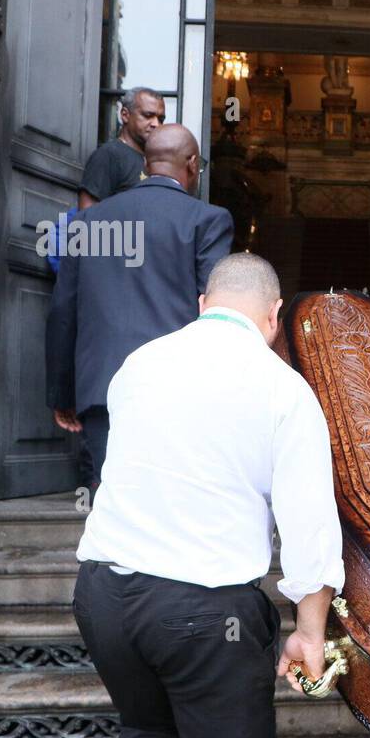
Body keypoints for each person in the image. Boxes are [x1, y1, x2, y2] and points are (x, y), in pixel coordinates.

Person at [71, 253, 345, 738]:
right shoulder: (283, 389)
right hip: (202, 612)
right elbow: (309, 527)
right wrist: (310, 632)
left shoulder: (137, 364)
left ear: (202, 306)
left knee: (146, 733)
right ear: (274, 316)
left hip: (104, 596)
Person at [46, 124, 233, 491]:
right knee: (172, 506)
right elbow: (215, 309)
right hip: (179, 391)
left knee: (109, 509)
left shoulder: (88, 221)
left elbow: (63, 310)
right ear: (192, 164)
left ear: (145, 164)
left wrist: (63, 393)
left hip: (101, 388)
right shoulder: (207, 220)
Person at [78, 87, 165, 209]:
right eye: (148, 115)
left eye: (161, 119)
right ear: (125, 115)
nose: (156, 124)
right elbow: (87, 215)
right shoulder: (109, 155)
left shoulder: (155, 160)